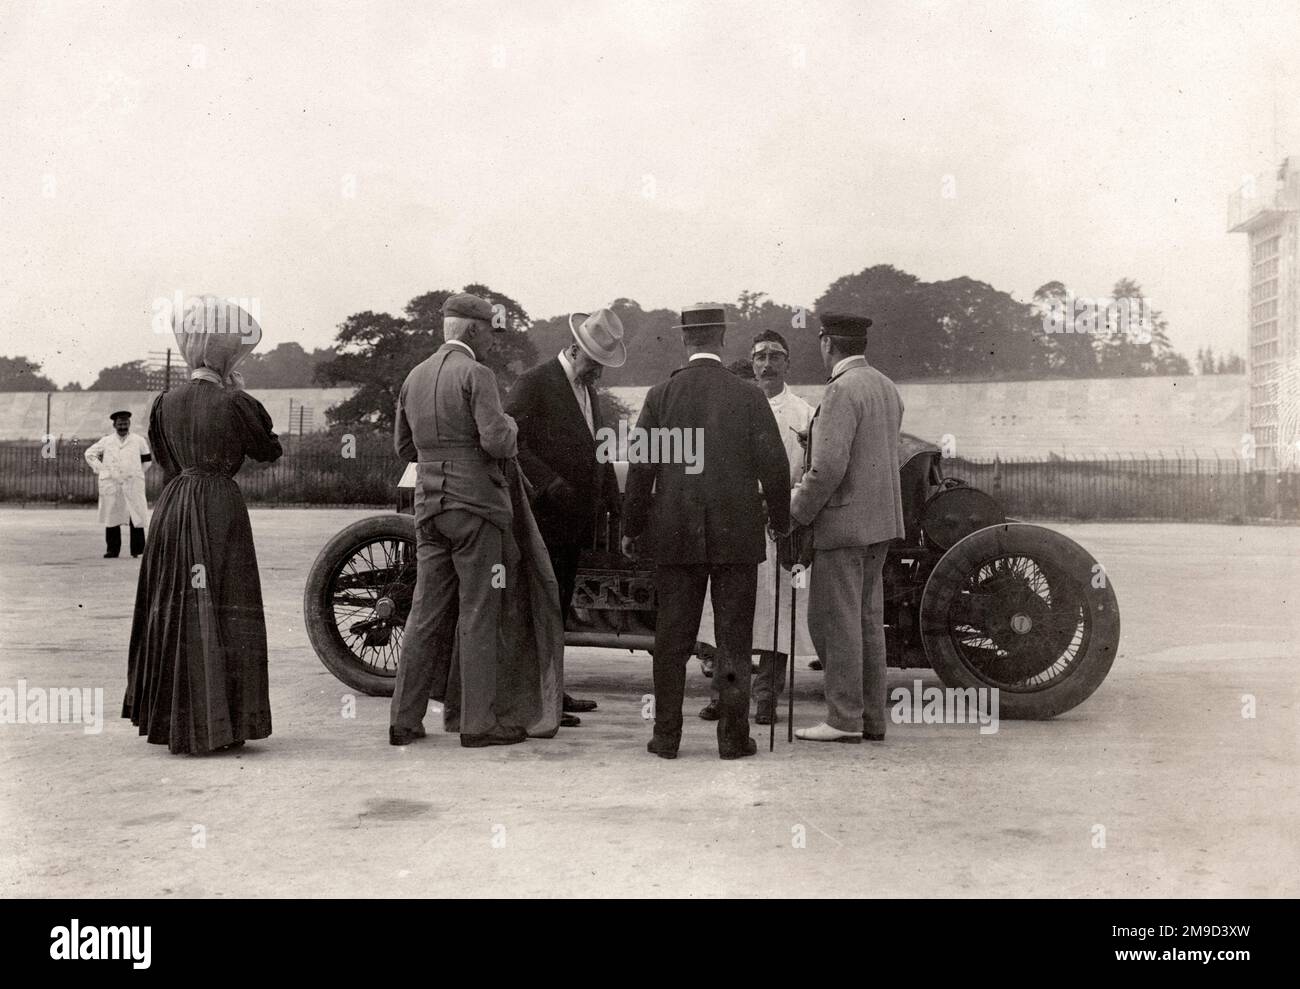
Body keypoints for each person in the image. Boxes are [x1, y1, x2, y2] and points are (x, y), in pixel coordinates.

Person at [623, 303, 791, 760]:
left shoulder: (660, 395)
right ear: (722, 339)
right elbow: (775, 469)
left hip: (674, 536)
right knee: (735, 641)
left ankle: (665, 737)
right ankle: (734, 739)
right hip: (737, 536)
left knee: (671, 642)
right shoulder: (749, 396)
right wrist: (781, 525)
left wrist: (632, 526)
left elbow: (640, 469)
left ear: (684, 339)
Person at [123, 298, 282, 754]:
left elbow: (166, 461)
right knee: (226, 604)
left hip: (174, 505)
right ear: (228, 356)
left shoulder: (163, 402)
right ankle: (222, 721)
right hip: (218, 506)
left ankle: (172, 719)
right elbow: (269, 452)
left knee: (176, 603)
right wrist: (238, 396)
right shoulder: (237, 400)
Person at [389, 292, 527, 749]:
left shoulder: (414, 376)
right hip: (476, 509)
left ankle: (404, 721)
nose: (491, 339)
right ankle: (477, 724)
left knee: (424, 616)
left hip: (429, 509)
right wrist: (511, 426)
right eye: (489, 329)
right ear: (472, 329)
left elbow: (404, 450)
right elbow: (496, 442)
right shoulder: (476, 374)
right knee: (478, 613)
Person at [504, 307, 626, 726]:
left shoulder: (588, 390)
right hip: (541, 517)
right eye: (594, 362)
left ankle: (552, 691)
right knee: (538, 605)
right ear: (575, 349)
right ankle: (538, 699)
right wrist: (550, 484)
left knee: (556, 607)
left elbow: (600, 448)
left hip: (573, 520)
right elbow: (512, 442)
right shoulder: (533, 383)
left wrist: (612, 499)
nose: (598, 372)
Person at [790, 312, 904, 744]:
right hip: (880, 525)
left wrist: (796, 513)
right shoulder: (885, 386)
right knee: (868, 624)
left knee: (835, 624)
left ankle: (842, 720)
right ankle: (871, 719)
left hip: (842, 526)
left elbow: (828, 468)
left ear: (826, 342)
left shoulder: (840, 391)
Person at [699, 329, 815, 725]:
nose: (766, 364)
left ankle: (767, 697)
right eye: (759, 356)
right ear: (751, 361)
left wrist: (786, 506)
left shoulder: (803, 413)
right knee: (728, 612)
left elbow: (813, 473)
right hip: (734, 523)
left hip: (780, 526)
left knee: (777, 614)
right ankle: (724, 695)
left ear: (787, 363)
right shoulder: (731, 405)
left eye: (775, 356)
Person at [85, 410, 152, 558]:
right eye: (120, 424)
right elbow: (89, 454)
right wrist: (103, 469)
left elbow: (147, 461)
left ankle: (138, 550)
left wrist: (136, 473)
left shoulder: (139, 440)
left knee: (136, 515)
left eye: (126, 423)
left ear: (129, 424)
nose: (123, 427)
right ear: (114, 425)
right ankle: (112, 550)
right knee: (112, 515)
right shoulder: (106, 441)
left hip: (132, 483)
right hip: (112, 484)